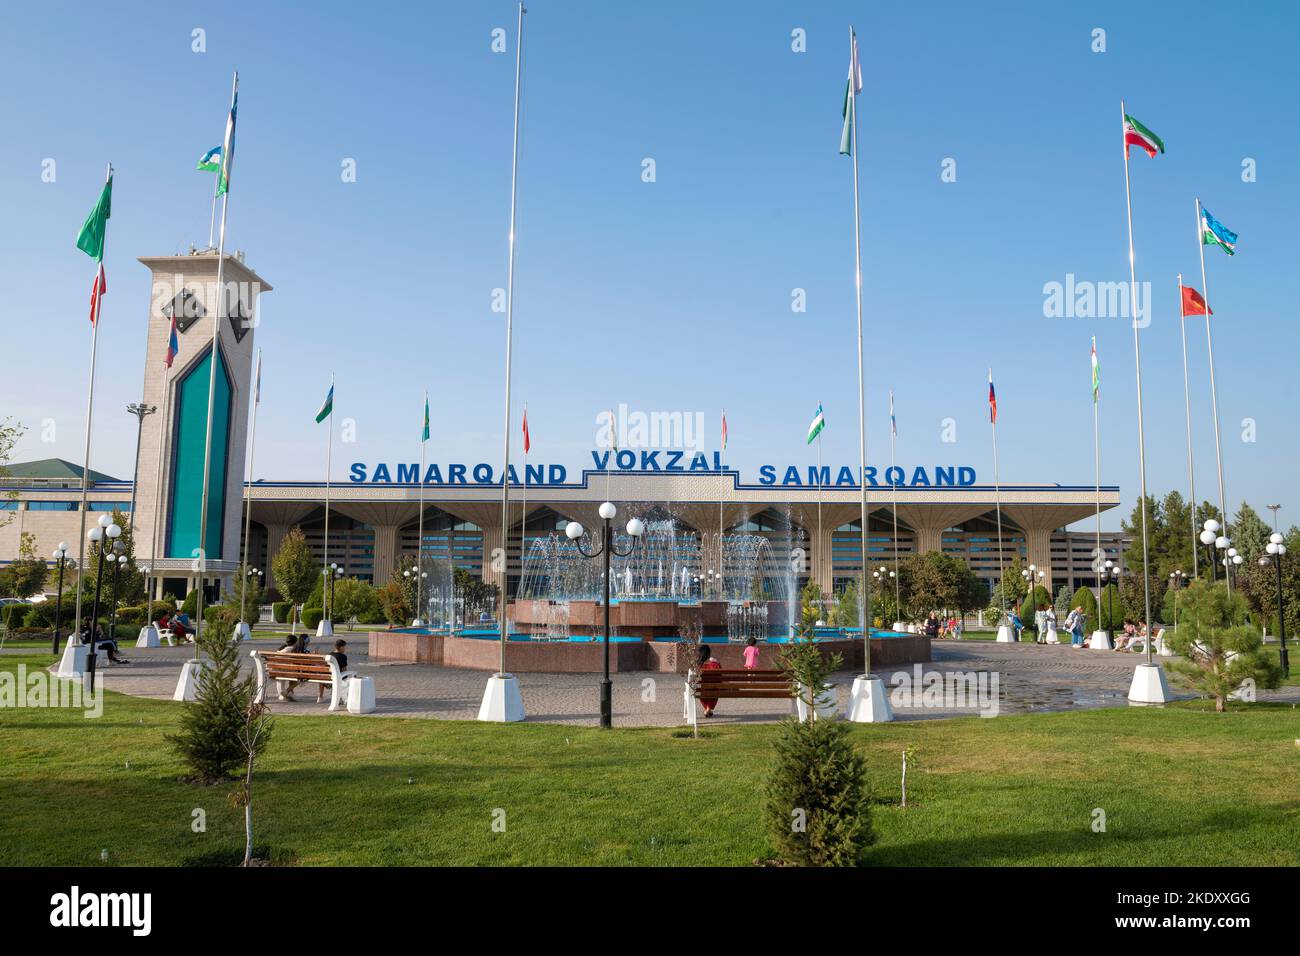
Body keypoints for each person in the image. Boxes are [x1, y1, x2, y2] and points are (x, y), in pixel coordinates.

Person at [277, 633, 308, 701]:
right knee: (301, 676)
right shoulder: (293, 649)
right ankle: (287, 691)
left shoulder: (280, 650)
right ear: (295, 642)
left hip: (275, 671)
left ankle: (290, 693)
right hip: (287, 671)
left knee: (294, 672)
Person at [697, 644, 723, 717]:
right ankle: (708, 710)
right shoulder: (715, 664)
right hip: (714, 688)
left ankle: (708, 709)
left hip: (703, 689)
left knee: (701, 694)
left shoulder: (699, 666)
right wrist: (717, 662)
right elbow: (720, 676)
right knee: (714, 693)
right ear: (709, 654)